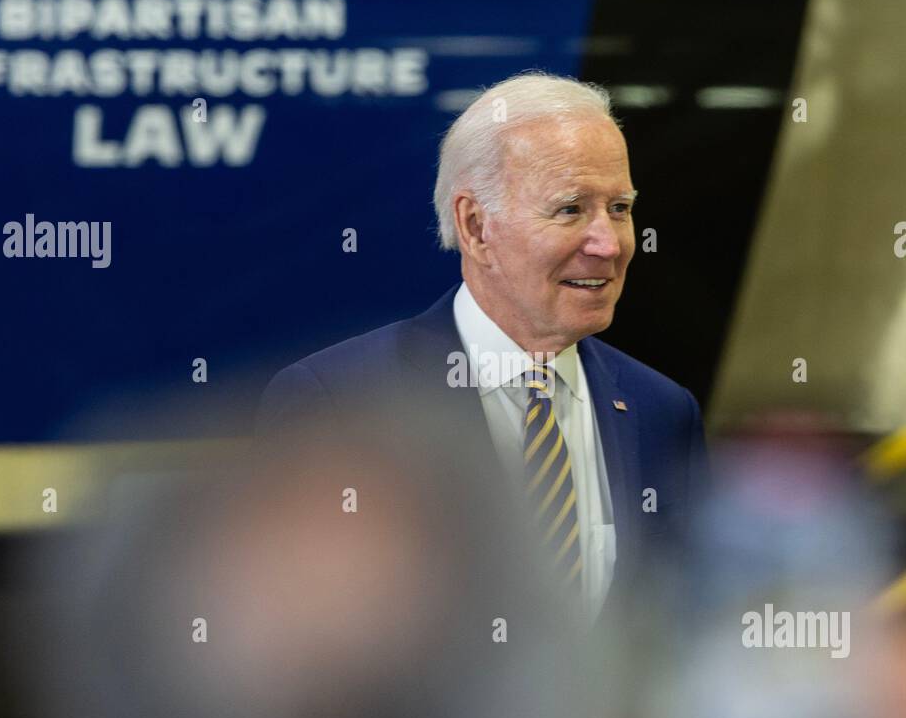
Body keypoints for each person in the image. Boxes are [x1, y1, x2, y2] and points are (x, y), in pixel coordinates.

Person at [259, 71, 708, 626]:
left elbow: (678, 627)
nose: (609, 243)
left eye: (619, 208)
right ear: (474, 227)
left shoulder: (661, 411)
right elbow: (297, 647)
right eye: (570, 209)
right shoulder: (340, 403)